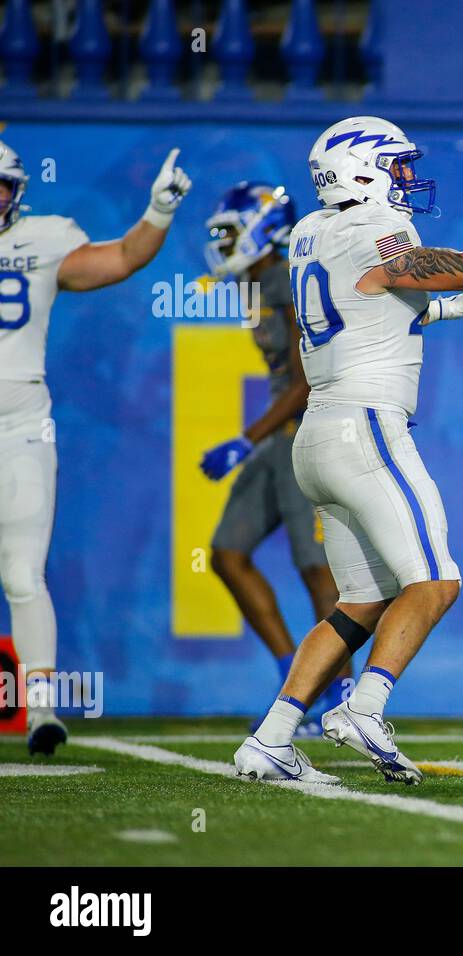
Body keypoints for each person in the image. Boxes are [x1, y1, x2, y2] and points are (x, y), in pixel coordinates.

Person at [233, 114, 463, 785]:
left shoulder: (310, 232)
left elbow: (371, 304)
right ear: (360, 169)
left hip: (318, 435)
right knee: (437, 579)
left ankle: (272, 738)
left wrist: (457, 311)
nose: (407, 178)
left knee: (361, 599)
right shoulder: (370, 227)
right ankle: (366, 706)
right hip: (363, 424)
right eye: (396, 165)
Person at [0, 139, 190, 755]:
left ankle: (41, 712)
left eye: (3, 185)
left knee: (24, 574)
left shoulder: (46, 238)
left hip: (20, 422)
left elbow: (122, 259)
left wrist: (157, 212)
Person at [198, 183, 347, 733]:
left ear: (263, 228)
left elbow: (307, 378)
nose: (223, 241)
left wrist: (244, 438)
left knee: (317, 570)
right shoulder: (253, 282)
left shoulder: (283, 279)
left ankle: (339, 695)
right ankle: (294, 677)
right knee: (227, 552)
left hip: (304, 429)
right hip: (277, 435)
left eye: (231, 230)